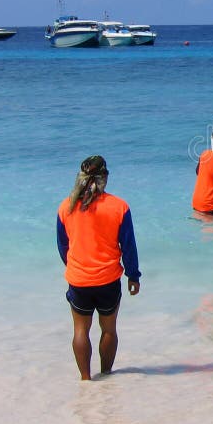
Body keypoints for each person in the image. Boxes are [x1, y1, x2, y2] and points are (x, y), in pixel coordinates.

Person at [56, 155, 141, 380]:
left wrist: (76, 266)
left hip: (79, 280)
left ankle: (86, 380)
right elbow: (128, 245)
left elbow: (63, 245)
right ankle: (106, 375)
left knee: (80, 330)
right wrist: (134, 275)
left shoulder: (66, 207)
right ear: (105, 178)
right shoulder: (119, 207)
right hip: (108, 280)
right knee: (109, 329)